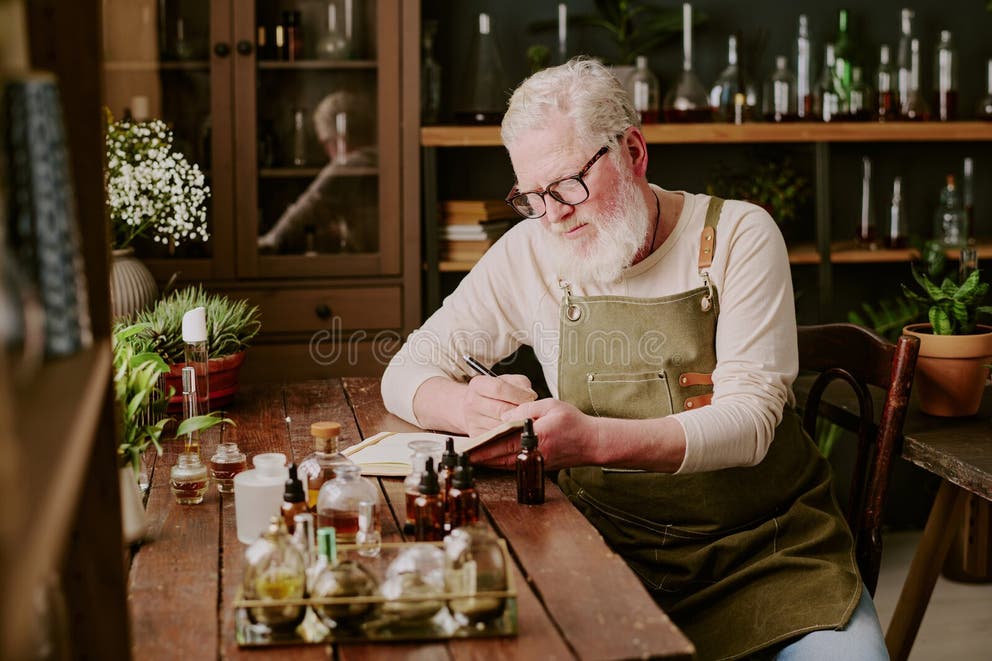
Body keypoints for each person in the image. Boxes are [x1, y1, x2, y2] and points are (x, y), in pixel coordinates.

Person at [381, 58, 888, 660]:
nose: (555, 215)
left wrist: (592, 441)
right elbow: (407, 370)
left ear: (633, 151)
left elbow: (750, 424)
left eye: (568, 184)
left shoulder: (738, 237)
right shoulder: (532, 252)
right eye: (533, 196)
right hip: (601, 552)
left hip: (769, 555)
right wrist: (468, 404)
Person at [257, 91, 378, 254]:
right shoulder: (380, 158)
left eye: (326, 143)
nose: (328, 153)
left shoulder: (352, 163)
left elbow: (311, 205)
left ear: (339, 137)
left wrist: (272, 241)